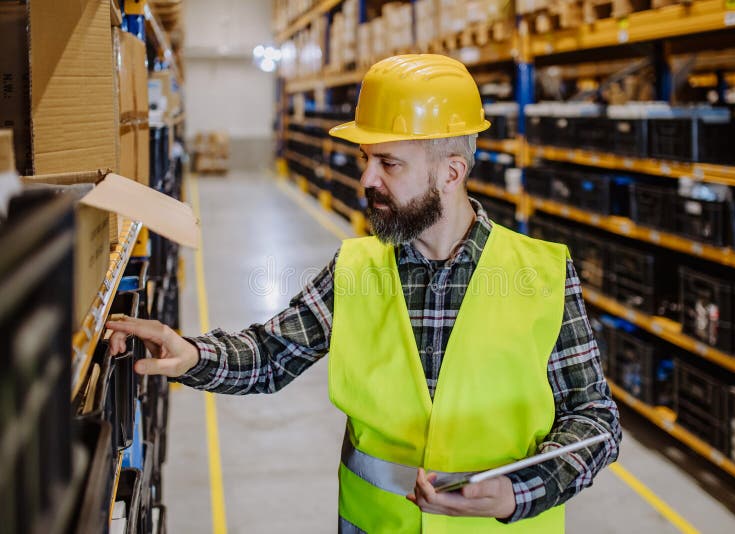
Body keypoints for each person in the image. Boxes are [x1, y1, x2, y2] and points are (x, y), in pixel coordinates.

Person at [107, 54, 621, 533]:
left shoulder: (542, 272)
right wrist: (191, 352)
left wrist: (520, 492)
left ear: (451, 171)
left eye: (388, 163)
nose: (366, 178)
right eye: (365, 158)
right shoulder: (356, 268)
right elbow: (270, 355)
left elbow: (596, 419)